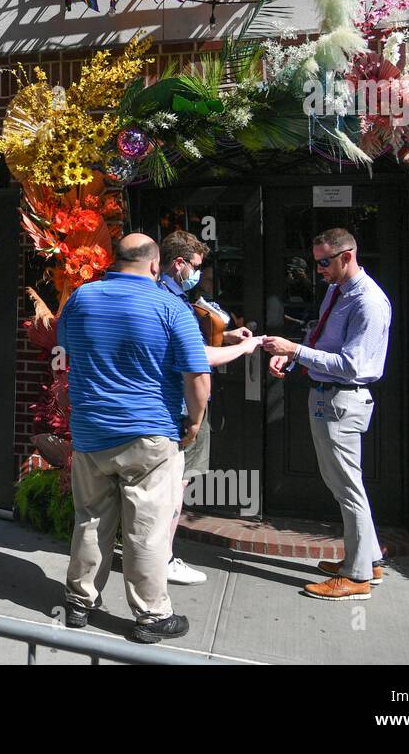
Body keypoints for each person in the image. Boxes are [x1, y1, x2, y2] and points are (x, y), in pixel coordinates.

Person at [57, 234, 213, 644]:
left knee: (90, 519)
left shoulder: (81, 298)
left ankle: (79, 602)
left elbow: (66, 353)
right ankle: (151, 616)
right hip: (150, 433)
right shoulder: (171, 308)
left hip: (91, 432)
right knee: (147, 529)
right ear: (155, 265)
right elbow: (198, 377)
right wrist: (195, 423)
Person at [262, 228, 392, 601]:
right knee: (344, 485)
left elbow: (351, 365)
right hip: (326, 397)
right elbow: (322, 341)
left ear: (346, 256)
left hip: (342, 400)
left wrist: (295, 350)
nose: (317, 269)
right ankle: (369, 560)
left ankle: (356, 577)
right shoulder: (338, 292)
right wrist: (292, 354)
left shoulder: (369, 302)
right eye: (316, 261)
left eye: (323, 262)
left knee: (348, 488)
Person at [157, 230, 256, 586]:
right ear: (179, 263)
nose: (198, 274)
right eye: (196, 266)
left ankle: (155, 555)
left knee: (168, 488)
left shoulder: (174, 299)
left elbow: (191, 343)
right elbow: (197, 361)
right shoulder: (170, 300)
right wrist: (243, 349)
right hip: (181, 410)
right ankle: (163, 558)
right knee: (173, 489)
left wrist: (227, 336)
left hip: (170, 408)